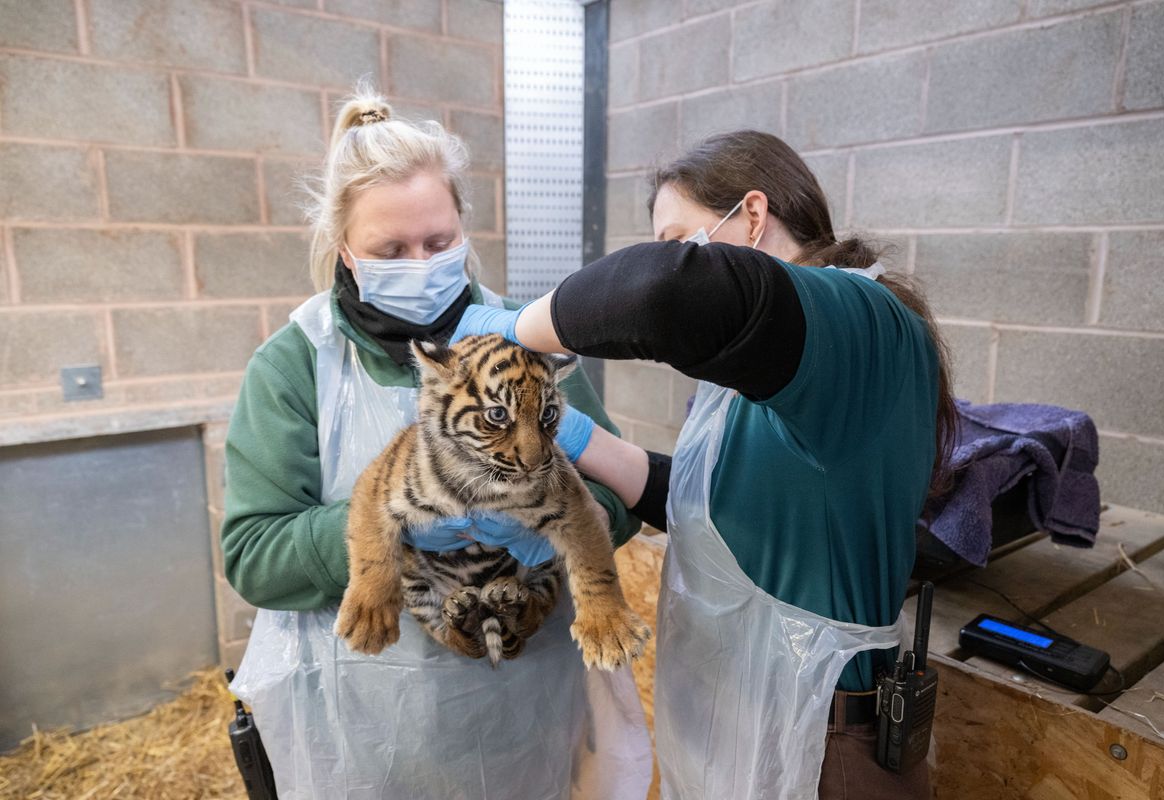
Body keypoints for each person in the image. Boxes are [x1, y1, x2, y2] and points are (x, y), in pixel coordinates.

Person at [452, 130, 956, 800]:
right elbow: (712, 505)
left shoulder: (862, 321)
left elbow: (664, 294)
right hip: (757, 731)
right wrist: (573, 436)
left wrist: (508, 329)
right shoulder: (761, 381)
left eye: (679, 237)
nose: (673, 257)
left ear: (752, 216)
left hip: (824, 752)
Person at [221, 86, 660, 799]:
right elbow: (253, 554)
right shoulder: (297, 361)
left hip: (526, 718)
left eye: (438, 241)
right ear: (347, 253)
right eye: (391, 249)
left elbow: (616, 499)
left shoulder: (528, 336)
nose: (421, 262)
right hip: (363, 731)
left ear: (464, 229)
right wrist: (402, 526)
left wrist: (542, 521)